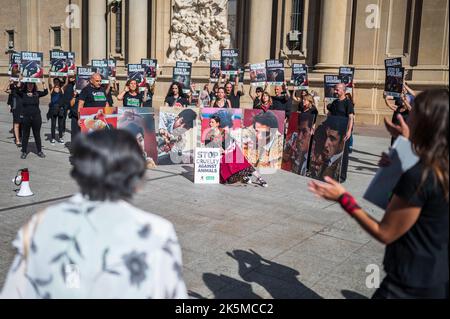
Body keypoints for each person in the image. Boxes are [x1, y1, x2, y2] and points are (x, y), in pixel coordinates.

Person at [0, 129, 187, 299]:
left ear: (79, 173)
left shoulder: (40, 225)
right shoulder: (157, 233)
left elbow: (14, 292)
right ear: (137, 180)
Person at [309, 89, 449, 299]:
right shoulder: (439, 166)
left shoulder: (419, 176)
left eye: (414, 113)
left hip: (409, 283)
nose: (408, 116)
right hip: (437, 275)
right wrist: (404, 147)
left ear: (425, 122)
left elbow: (385, 232)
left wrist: (343, 198)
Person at [206, 113, 268, 186]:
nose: (210, 124)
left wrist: (224, 150)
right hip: (222, 156)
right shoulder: (210, 134)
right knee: (228, 179)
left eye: (212, 122)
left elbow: (230, 143)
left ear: (217, 123)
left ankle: (259, 178)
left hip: (232, 151)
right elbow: (210, 146)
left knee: (243, 165)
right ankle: (243, 177)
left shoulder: (223, 131)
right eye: (210, 122)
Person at [326, 83, 355, 182]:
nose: (335, 91)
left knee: (344, 154)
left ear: (343, 90)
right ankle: (331, 173)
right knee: (332, 152)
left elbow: (351, 117)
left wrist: (349, 131)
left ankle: (342, 176)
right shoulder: (334, 102)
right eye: (335, 89)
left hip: (343, 133)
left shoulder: (348, 103)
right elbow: (329, 115)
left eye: (337, 90)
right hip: (334, 132)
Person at [309, 116, 347, 182]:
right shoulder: (322, 155)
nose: (325, 144)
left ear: (342, 141)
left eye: (332, 139)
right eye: (326, 137)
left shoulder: (339, 163)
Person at [17, 81, 48, 159]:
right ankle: (24, 151)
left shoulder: (36, 93)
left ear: (34, 85)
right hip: (26, 117)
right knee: (25, 135)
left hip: (36, 117)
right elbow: (16, 90)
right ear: (26, 85)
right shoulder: (23, 93)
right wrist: (20, 81)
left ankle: (39, 151)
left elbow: (46, 92)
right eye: (28, 84)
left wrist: (43, 83)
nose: (30, 85)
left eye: (32, 84)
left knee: (37, 135)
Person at [47, 77, 65, 144]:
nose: (56, 83)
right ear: (54, 82)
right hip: (53, 109)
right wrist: (49, 75)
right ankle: (53, 138)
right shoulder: (52, 89)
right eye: (55, 82)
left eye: (57, 82)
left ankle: (60, 138)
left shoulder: (62, 89)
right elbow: (49, 83)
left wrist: (67, 75)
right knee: (53, 124)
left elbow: (66, 83)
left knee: (60, 124)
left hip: (60, 109)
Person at [5, 79, 22, 146]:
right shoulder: (12, 88)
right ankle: (17, 137)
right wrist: (9, 83)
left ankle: (19, 134)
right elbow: (6, 90)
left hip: (21, 106)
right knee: (16, 122)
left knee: (21, 122)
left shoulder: (22, 87)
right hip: (15, 106)